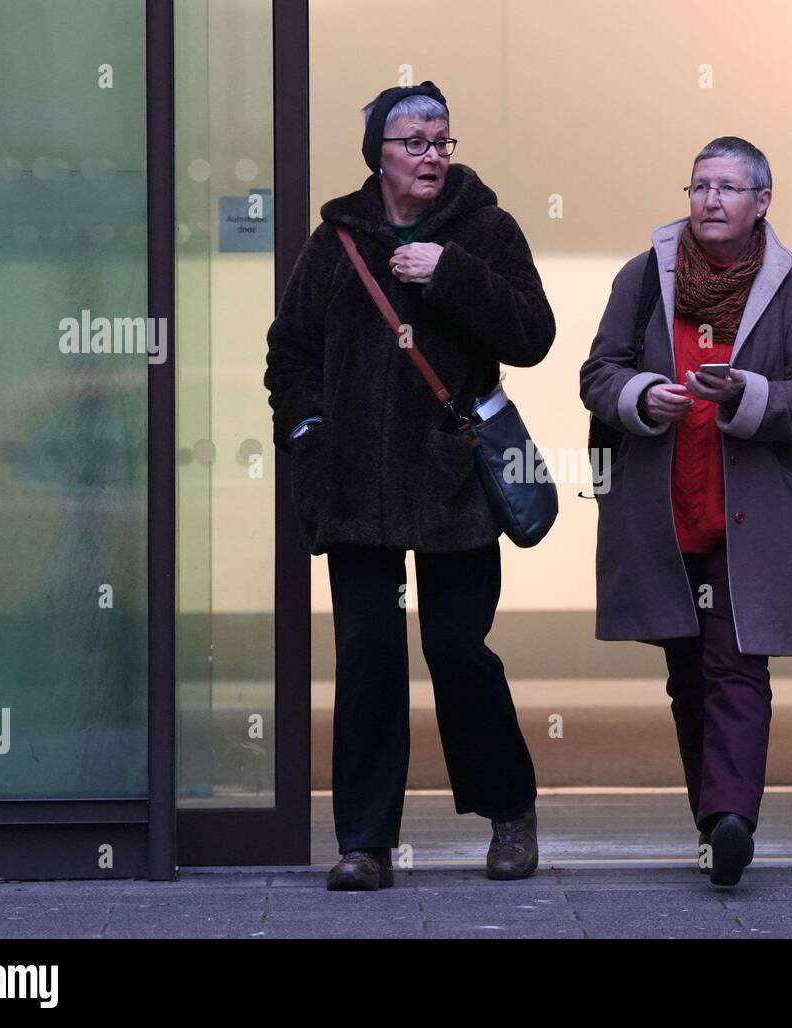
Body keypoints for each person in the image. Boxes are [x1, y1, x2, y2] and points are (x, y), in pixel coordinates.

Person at [264, 81, 556, 890]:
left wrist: (451, 273)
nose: (432, 156)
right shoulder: (336, 240)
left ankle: (510, 814)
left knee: (458, 651)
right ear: (379, 156)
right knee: (365, 660)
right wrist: (308, 435)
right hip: (354, 489)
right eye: (414, 142)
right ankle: (364, 843)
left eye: (442, 142)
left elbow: (534, 335)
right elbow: (288, 352)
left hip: (452, 481)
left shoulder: (486, 232)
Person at [579, 136, 792, 887]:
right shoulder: (642, 278)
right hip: (666, 514)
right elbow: (598, 372)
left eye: (728, 188)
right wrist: (641, 396)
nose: (710, 201)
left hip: (752, 520)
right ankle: (712, 819)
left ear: (763, 201)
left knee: (738, 665)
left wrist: (747, 394)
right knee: (688, 674)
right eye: (700, 186)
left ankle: (732, 820)